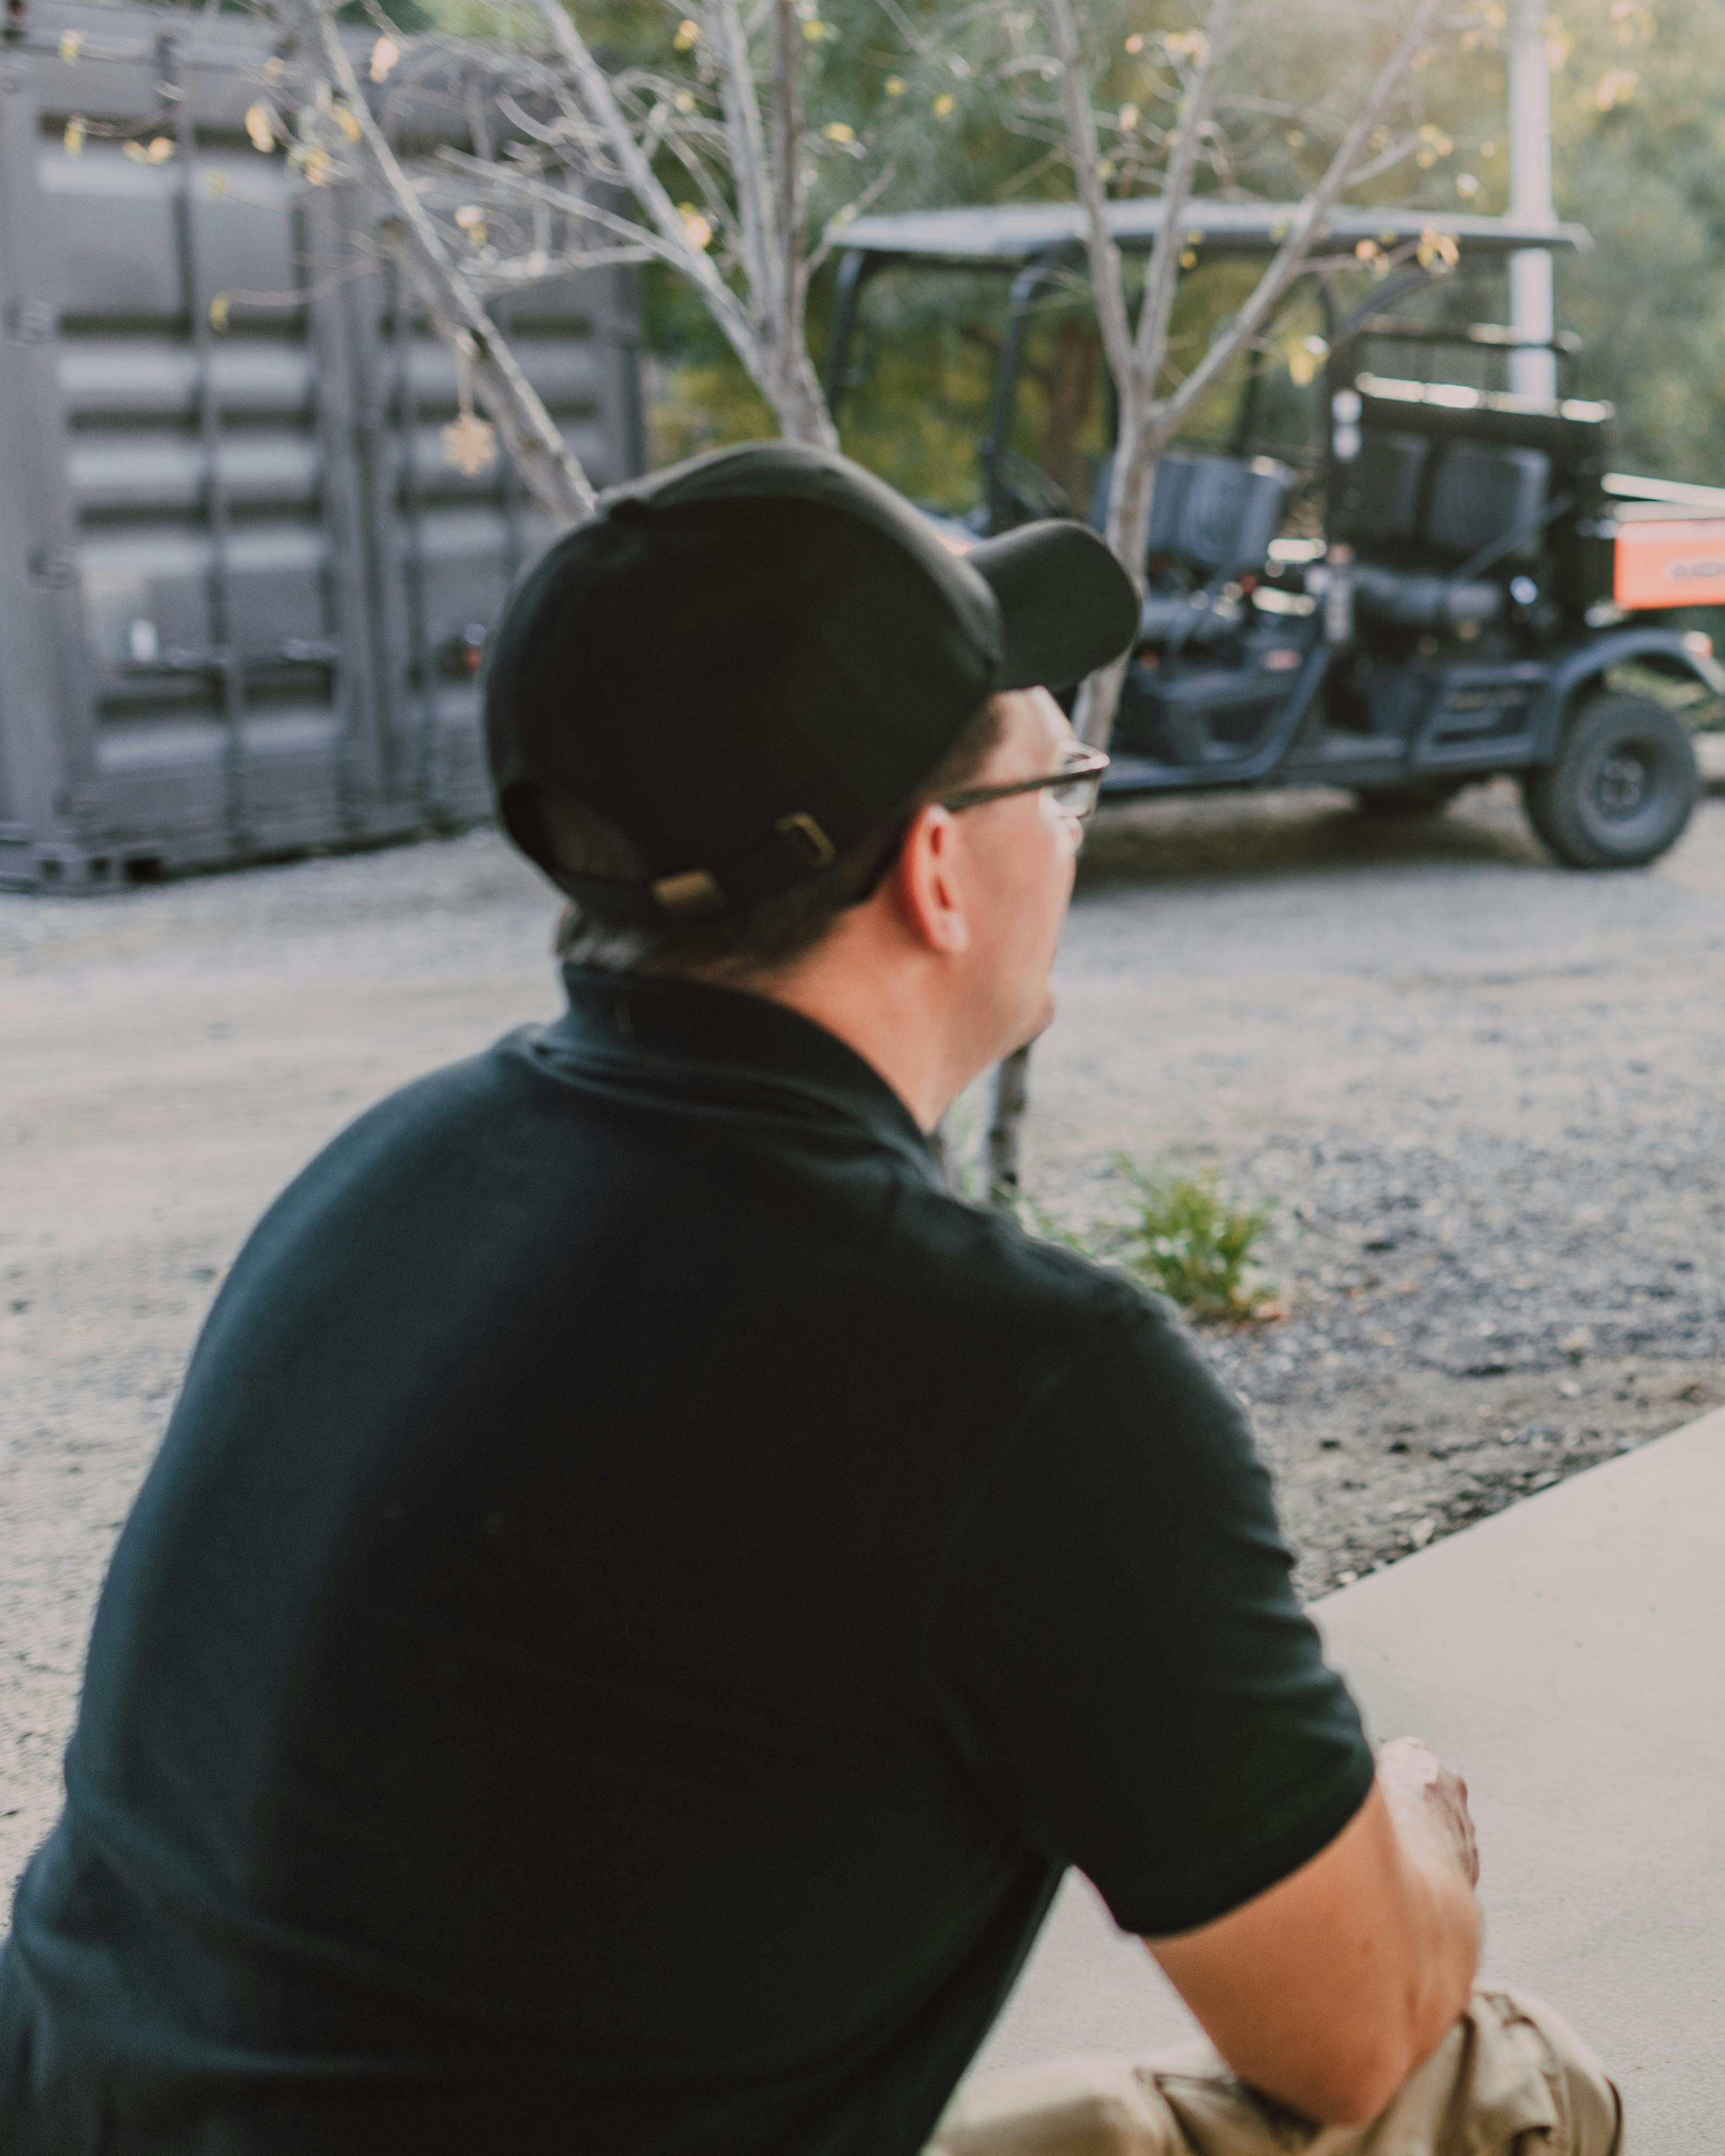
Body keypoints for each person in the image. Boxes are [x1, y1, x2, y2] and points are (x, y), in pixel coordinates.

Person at [0, 445, 1617, 2156]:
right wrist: (1414, 1833)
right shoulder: (1020, 1381)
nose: (1072, 819)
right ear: (937, 871)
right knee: (1493, 2087)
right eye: (1058, 782)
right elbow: (1351, 2033)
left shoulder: (380, 1183)